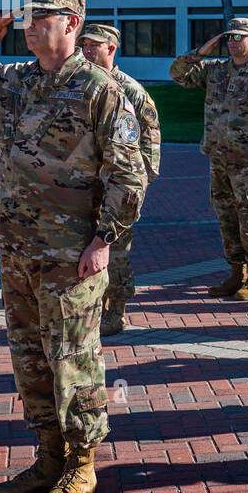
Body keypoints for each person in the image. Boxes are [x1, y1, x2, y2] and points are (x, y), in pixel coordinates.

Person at [0, 0, 146, 493]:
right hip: (18, 249)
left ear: (71, 23)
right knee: (30, 361)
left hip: (72, 253)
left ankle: (81, 464)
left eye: (40, 17)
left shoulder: (101, 90)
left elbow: (129, 173)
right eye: (26, 18)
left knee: (72, 360)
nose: (28, 25)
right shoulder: (11, 82)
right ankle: (48, 456)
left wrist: (105, 239)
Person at [169, 17, 248, 301]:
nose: (234, 43)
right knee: (226, 219)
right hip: (219, 159)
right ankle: (237, 272)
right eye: (230, 38)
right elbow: (177, 73)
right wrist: (201, 51)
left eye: (240, 37)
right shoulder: (215, 71)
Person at [78, 22, 162, 334]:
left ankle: (116, 308)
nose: (87, 50)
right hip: (84, 184)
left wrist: (140, 185)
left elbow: (150, 140)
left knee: (116, 251)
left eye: (93, 46)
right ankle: (91, 305)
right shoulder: (81, 83)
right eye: (84, 45)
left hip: (116, 187)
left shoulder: (130, 91)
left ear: (111, 48)